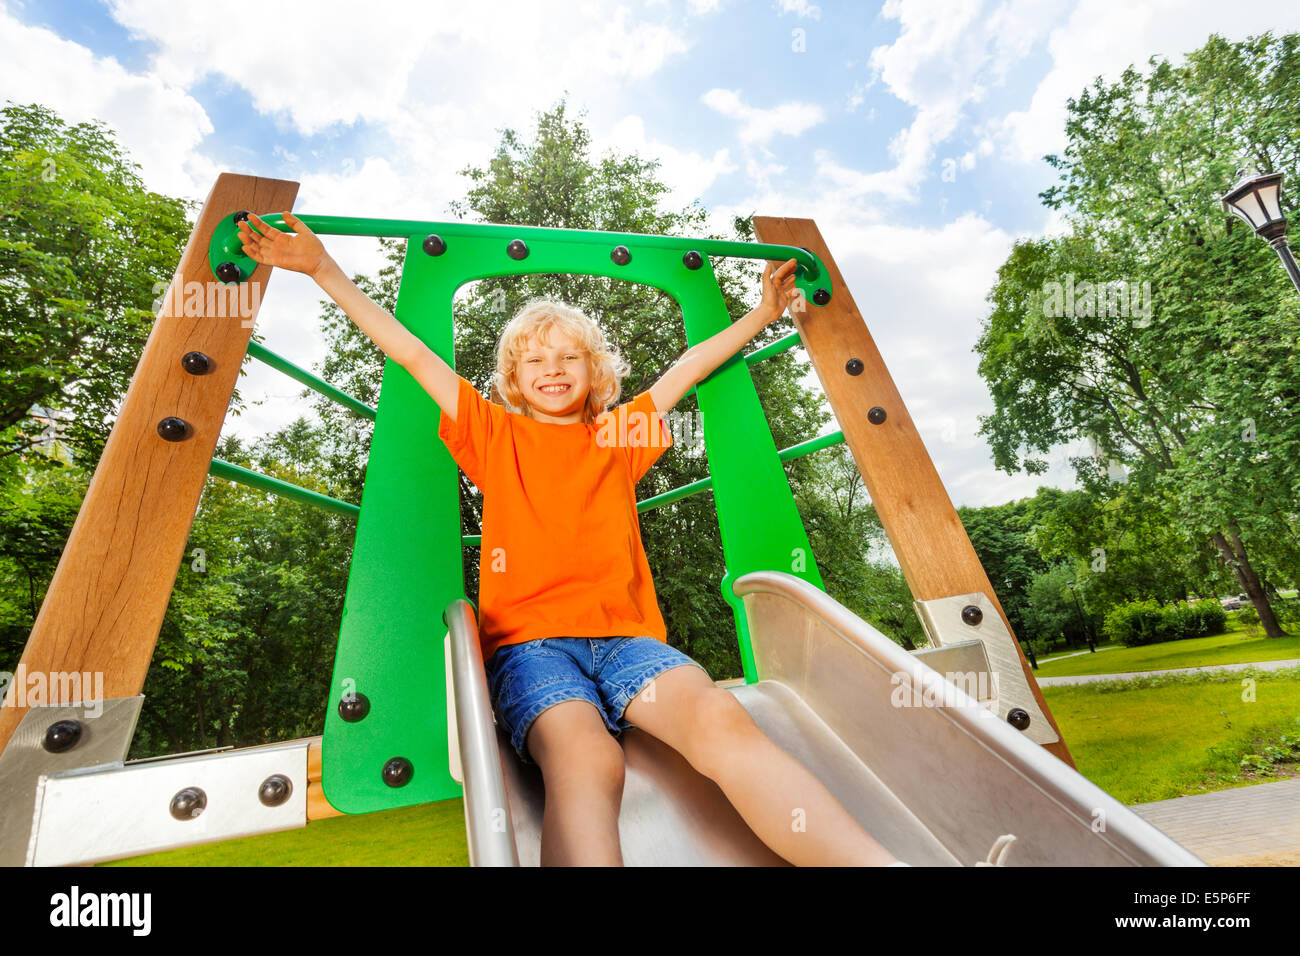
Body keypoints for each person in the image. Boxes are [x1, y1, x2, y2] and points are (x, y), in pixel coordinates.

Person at [236, 211, 909, 867]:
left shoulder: (618, 437)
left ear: (596, 375)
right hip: (535, 652)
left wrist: (764, 314)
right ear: (513, 377)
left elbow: (692, 364)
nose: (551, 368)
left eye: (568, 358)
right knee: (589, 759)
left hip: (631, 647)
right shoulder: (493, 434)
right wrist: (322, 267)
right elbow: (409, 350)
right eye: (534, 359)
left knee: (721, 721)